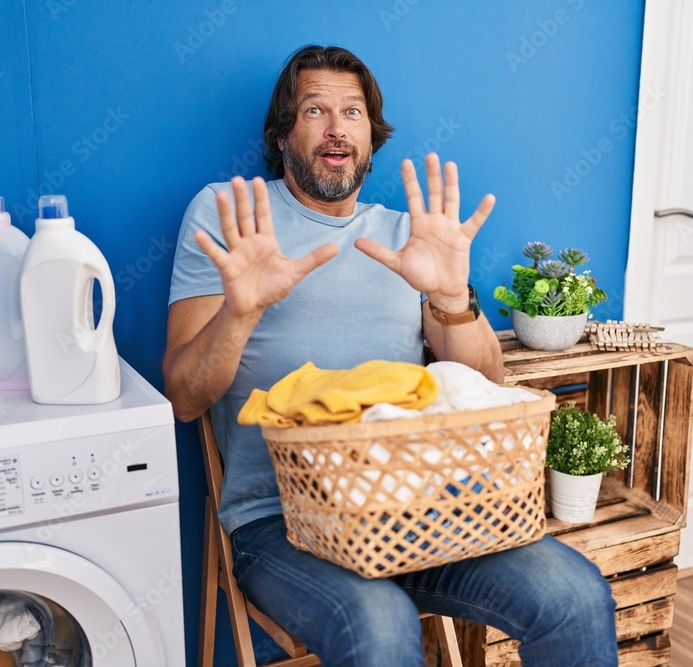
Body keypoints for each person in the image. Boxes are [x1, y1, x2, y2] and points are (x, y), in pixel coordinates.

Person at [164, 44, 618, 667]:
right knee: (378, 624)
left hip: (421, 505)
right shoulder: (232, 218)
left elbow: (486, 381)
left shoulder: (409, 235)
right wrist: (242, 310)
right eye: (315, 110)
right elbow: (185, 398)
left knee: (576, 594)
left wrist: (451, 295)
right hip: (283, 522)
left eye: (352, 113)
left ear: (370, 138)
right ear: (281, 133)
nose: (335, 128)